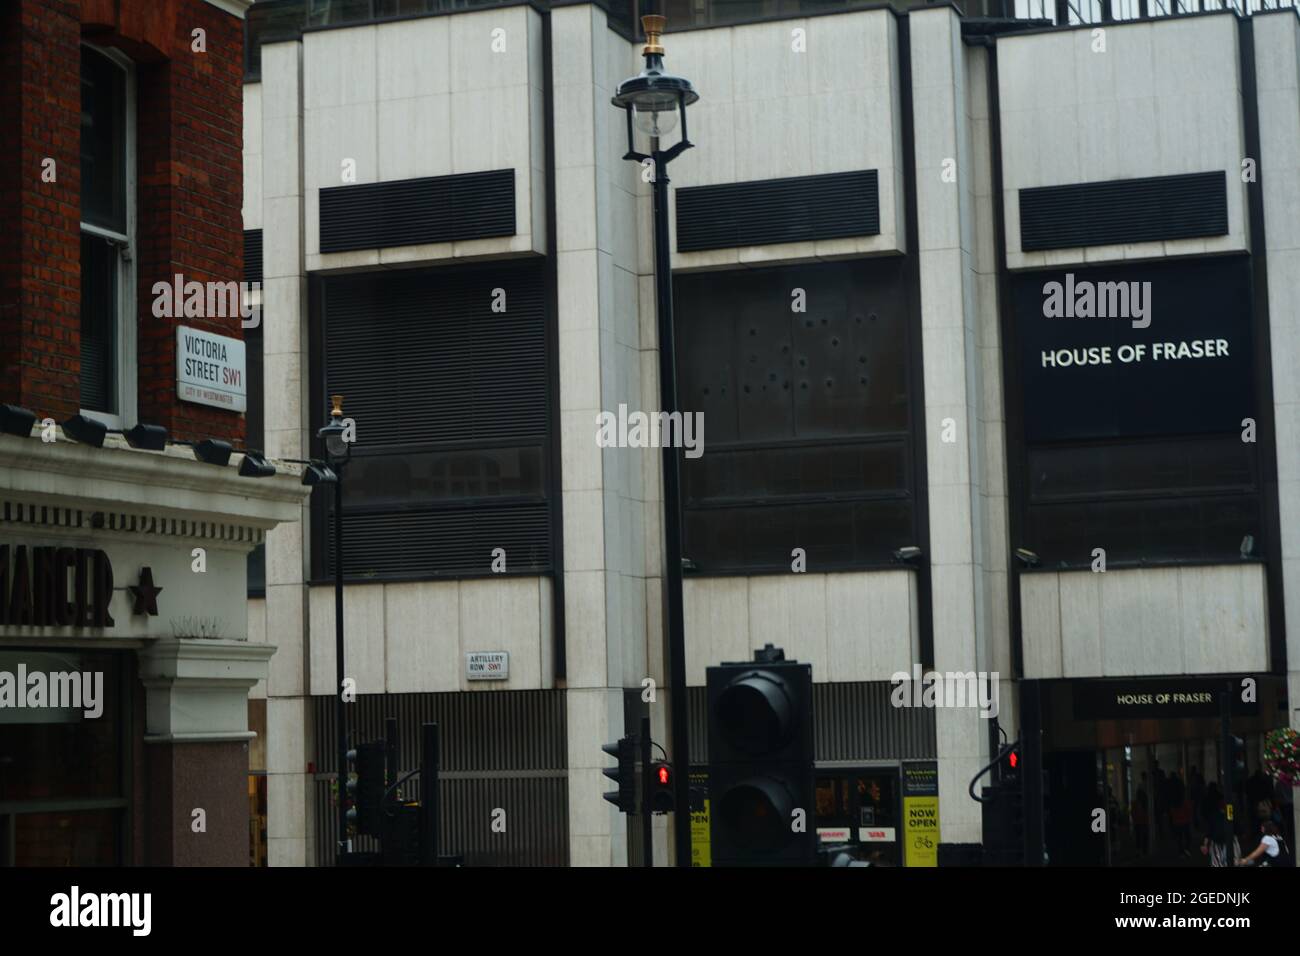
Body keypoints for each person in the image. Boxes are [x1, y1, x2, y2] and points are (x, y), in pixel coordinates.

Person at [1201, 801, 1239, 867]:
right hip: (1222, 843)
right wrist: (1205, 845)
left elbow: (1208, 832)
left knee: (1220, 863)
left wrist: (1205, 844)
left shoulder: (1216, 816)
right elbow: (1208, 832)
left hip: (1224, 842)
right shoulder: (1227, 815)